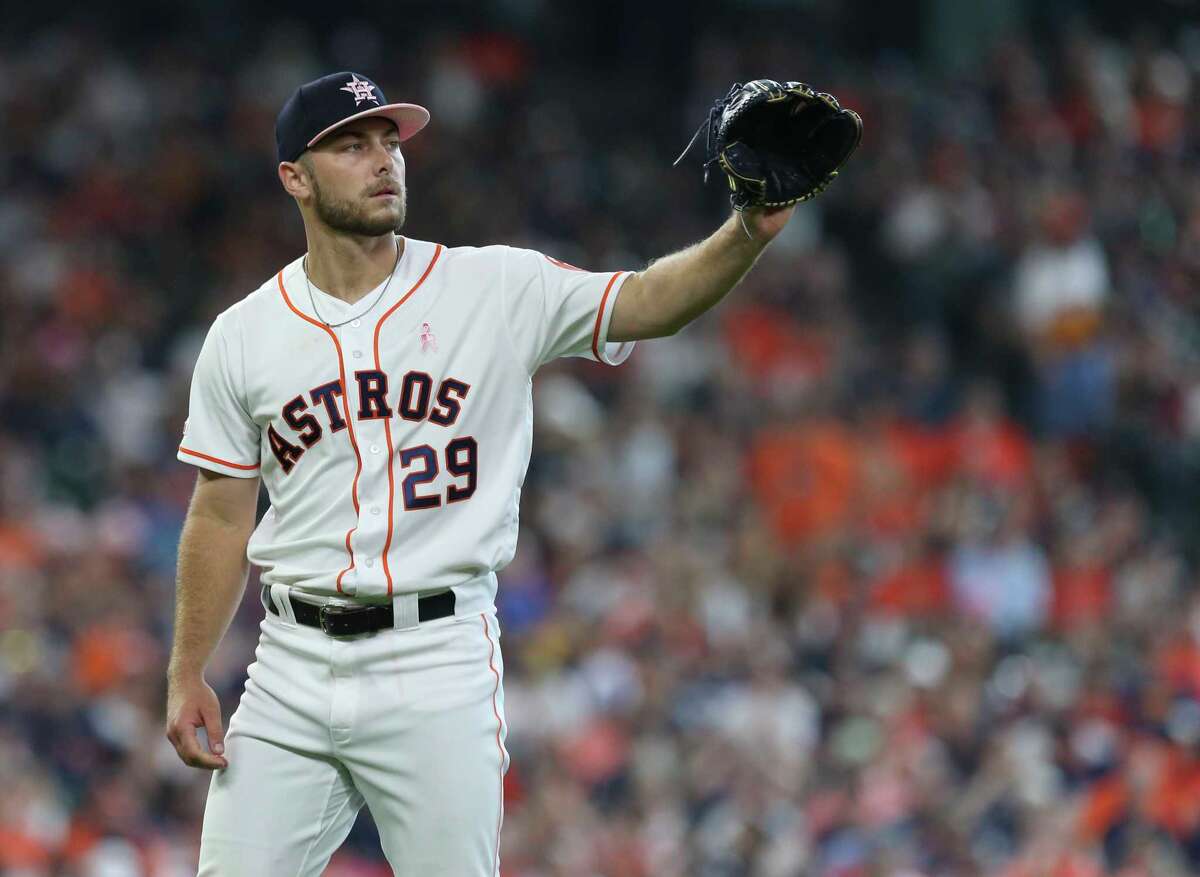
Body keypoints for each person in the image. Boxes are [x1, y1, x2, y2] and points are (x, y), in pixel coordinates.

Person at [164, 70, 799, 876]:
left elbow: (645, 302)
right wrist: (188, 670)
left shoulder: (493, 286)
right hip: (289, 663)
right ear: (295, 177)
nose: (384, 161)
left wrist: (746, 232)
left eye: (390, 142)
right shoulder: (243, 335)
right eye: (352, 146)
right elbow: (220, 514)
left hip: (436, 659)